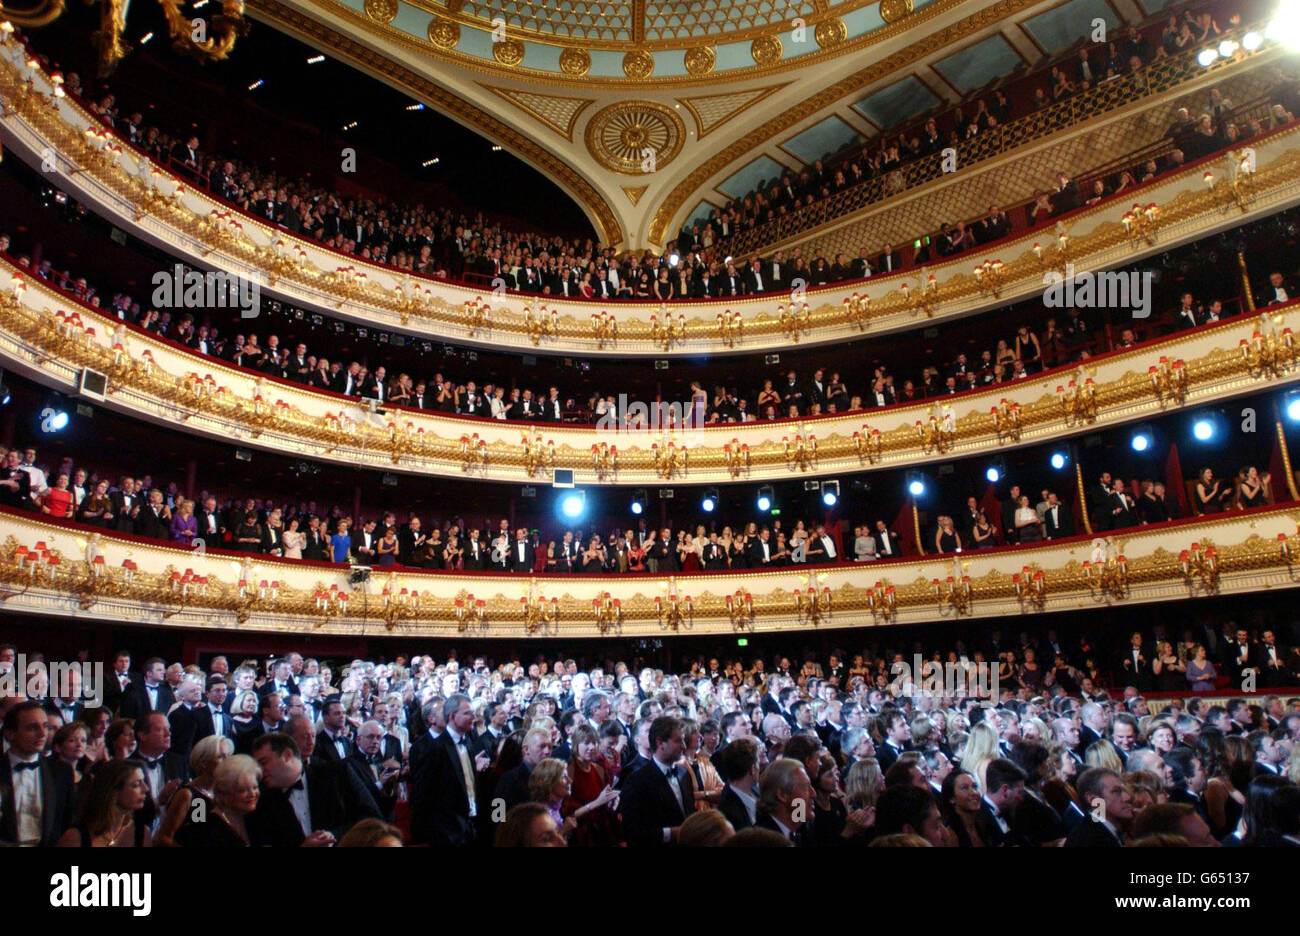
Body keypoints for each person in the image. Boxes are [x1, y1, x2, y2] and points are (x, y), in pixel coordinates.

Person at [56, 759, 151, 847]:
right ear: (113, 791)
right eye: (136, 785)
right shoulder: (76, 836)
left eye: (144, 782)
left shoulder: (142, 833)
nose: (146, 789)